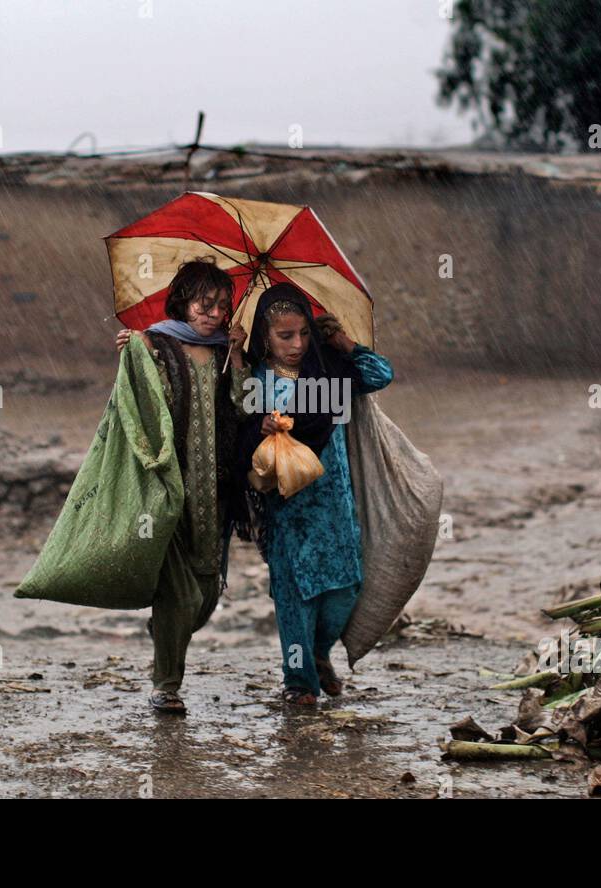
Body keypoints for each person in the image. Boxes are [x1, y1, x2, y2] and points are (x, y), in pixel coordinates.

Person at [234, 282, 393, 705]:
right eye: (285, 336)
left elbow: (381, 374)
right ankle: (299, 681)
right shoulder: (255, 379)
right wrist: (260, 426)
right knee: (295, 594)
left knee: (344, 588)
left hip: (334, 499)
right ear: (265, 336)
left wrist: (344, 343)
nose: (297, 344)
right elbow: (236, 433)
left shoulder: (329, 368)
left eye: (304, 333)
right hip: (287, 506)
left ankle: (320, 654)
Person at [115, 258, 249, 714]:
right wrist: (134, 353)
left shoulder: (225, 352)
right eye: (204, 304)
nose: (213, 313)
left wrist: (239, 357)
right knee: (180, 593)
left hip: (216, 494)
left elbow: (244, 407)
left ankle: (165, 631)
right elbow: (141, 404)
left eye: (222, 306)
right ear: (183, 302)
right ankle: (166, 686)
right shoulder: (158, 344)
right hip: (170, 489)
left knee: (206, 595)